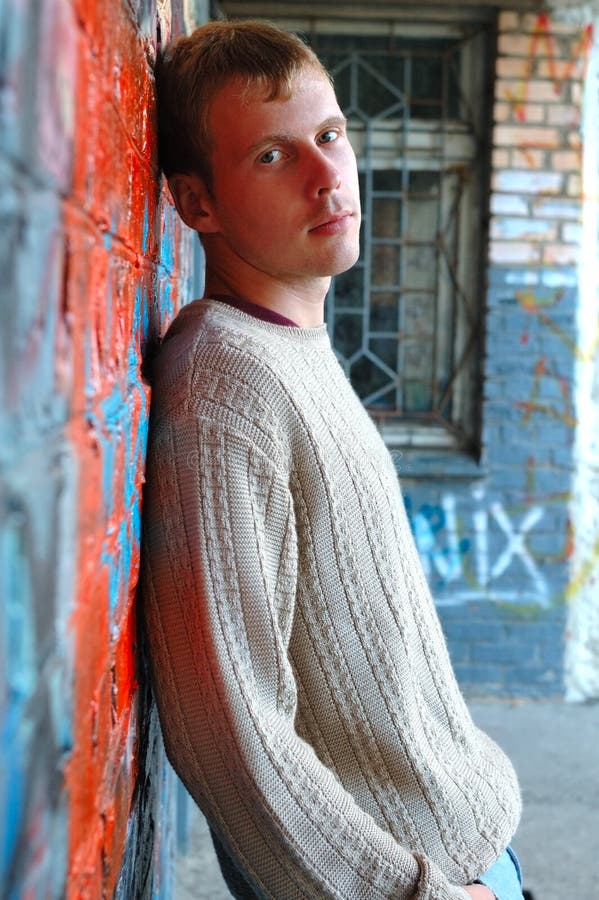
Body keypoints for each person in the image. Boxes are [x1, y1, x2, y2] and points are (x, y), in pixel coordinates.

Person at [141, 20, 524, 900]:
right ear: (197, 204)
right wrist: (404, 894)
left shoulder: (291, 347)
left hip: (465, 853)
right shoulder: (228, 385)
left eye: (329, 135)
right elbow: (227, 729)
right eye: (272, 158)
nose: (328, 176)